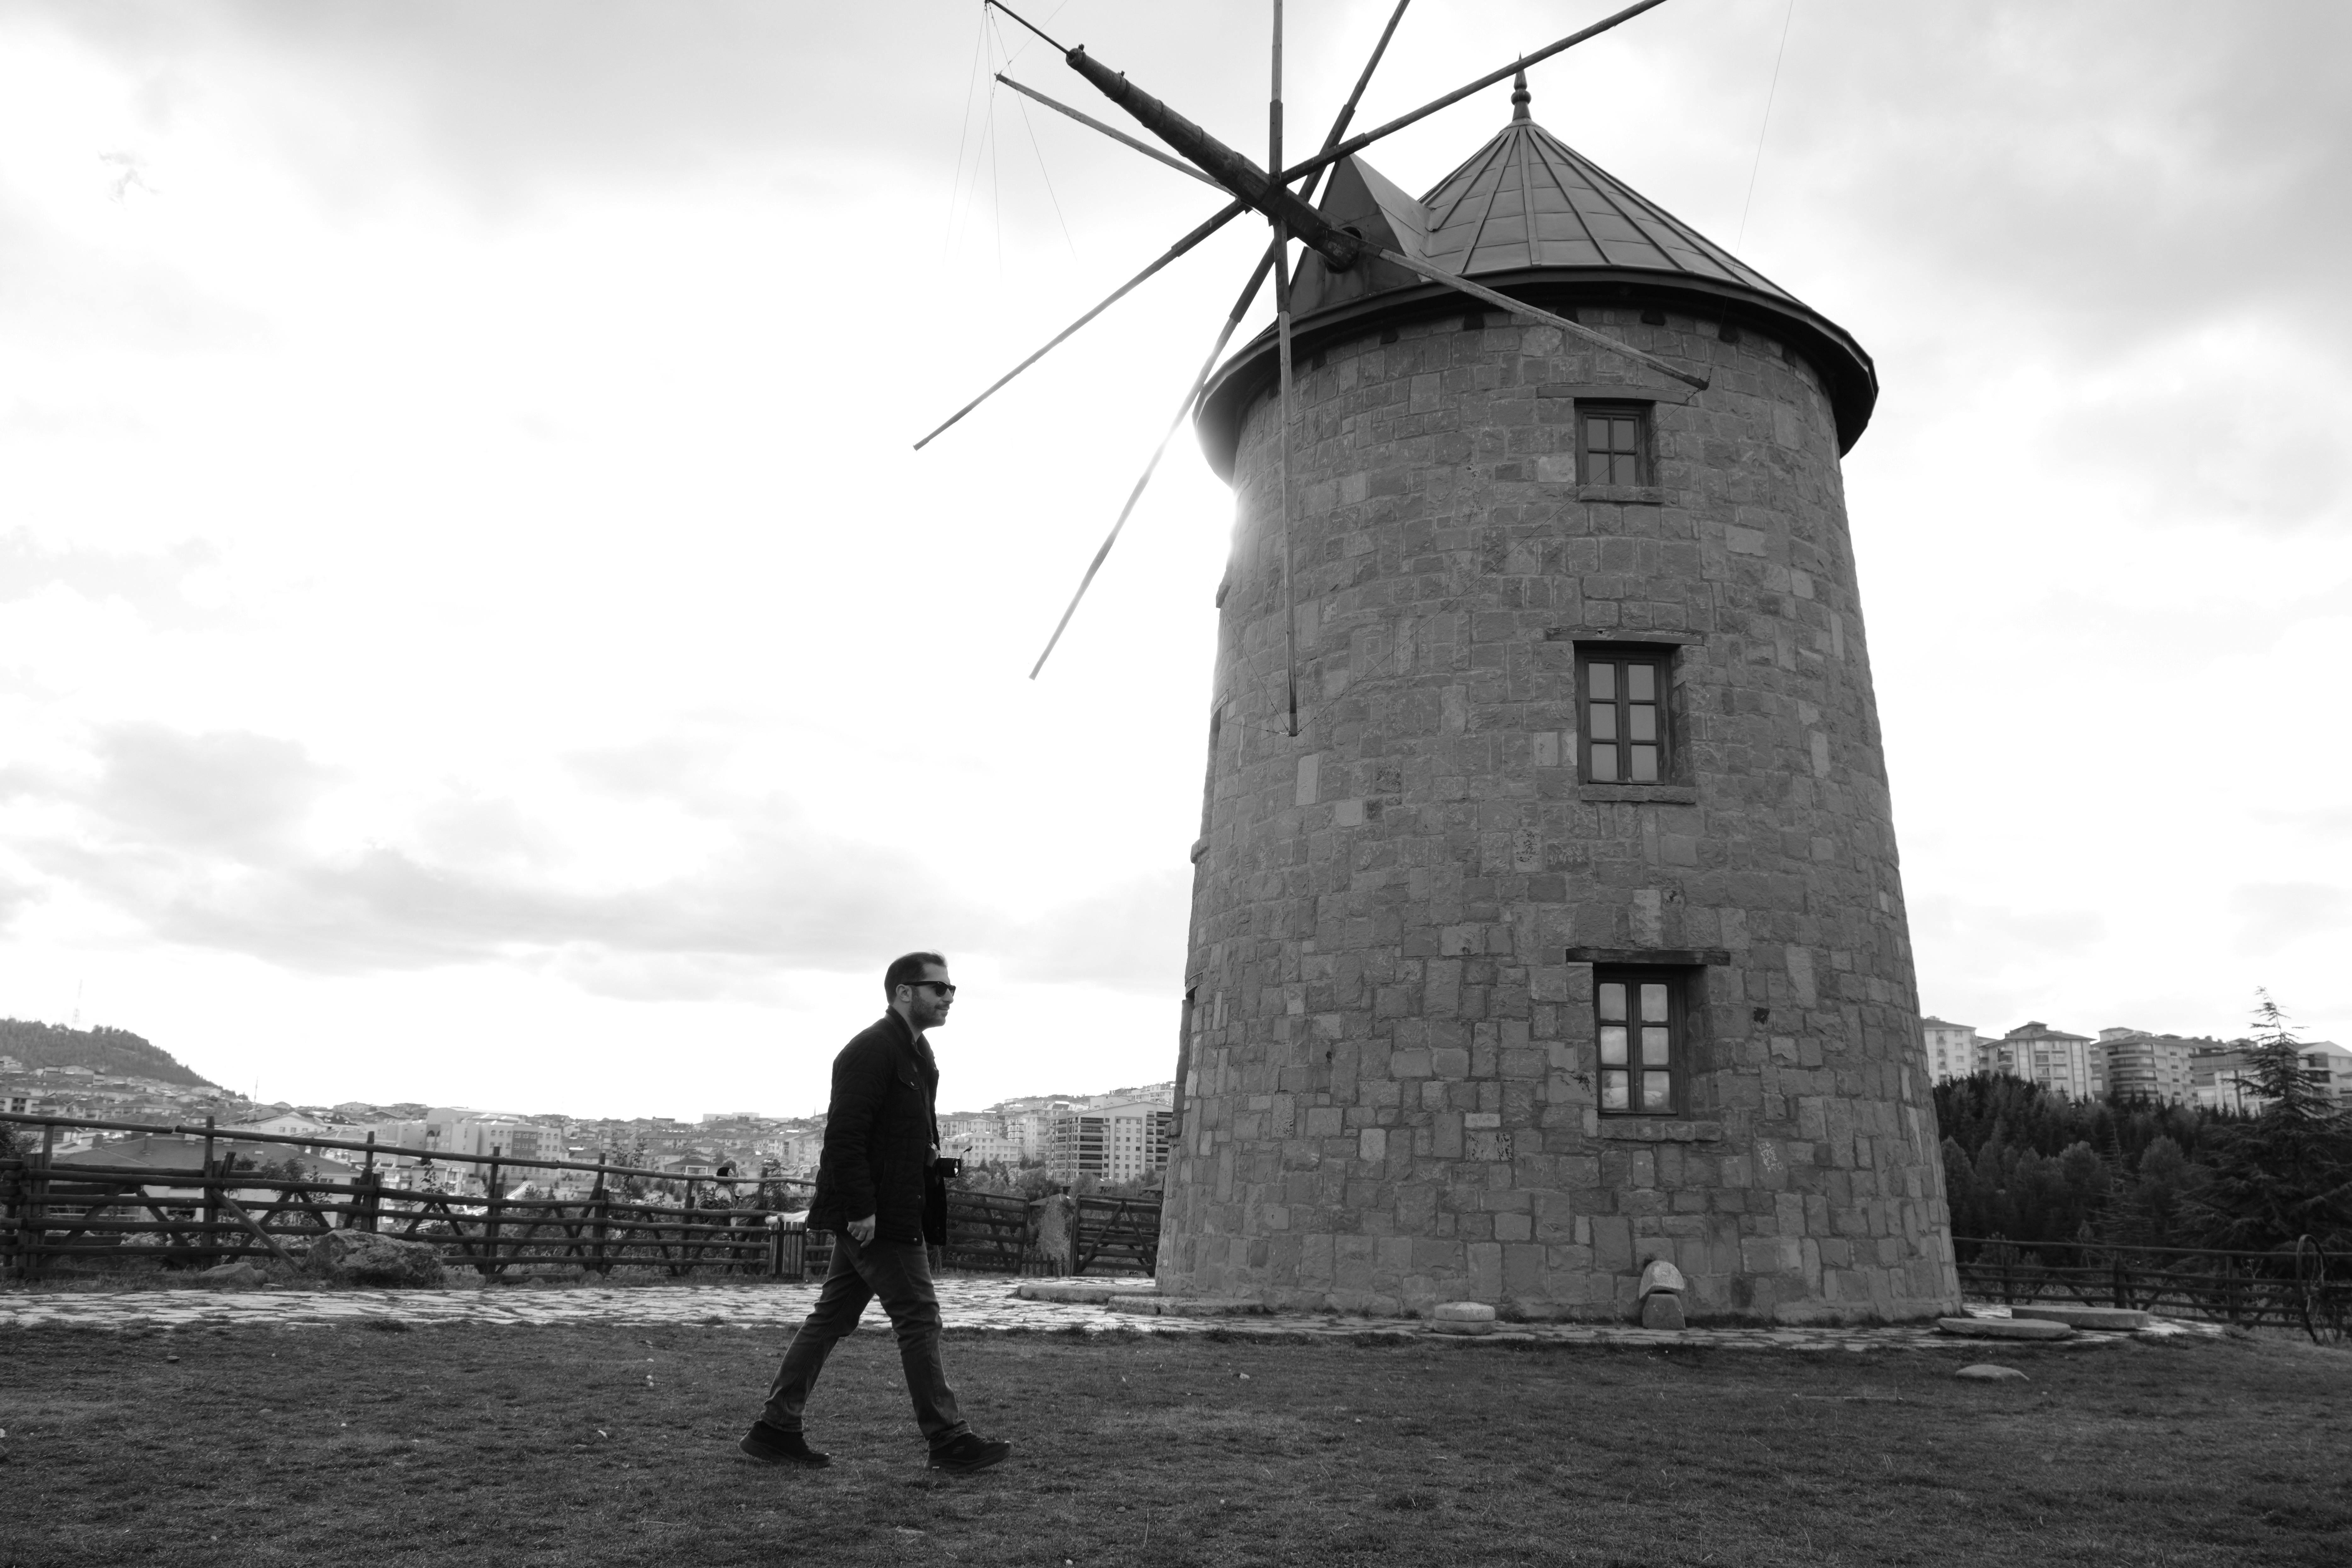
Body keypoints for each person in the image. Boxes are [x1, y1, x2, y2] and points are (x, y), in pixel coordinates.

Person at [738, 951, 1012, 1474]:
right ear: (904, 992)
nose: (949, 997)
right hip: (878, 1215)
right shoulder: (872, 1049)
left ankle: (774, 1429)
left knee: (832, 1318)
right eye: (938, 988)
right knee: (919, 1318)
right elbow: (845, 1137)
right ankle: (947, 1439)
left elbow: (899, 1136)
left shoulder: (918, 1052)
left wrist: (934, 1160)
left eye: (952, 989)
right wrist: (862, 1209)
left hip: (896, 1206)